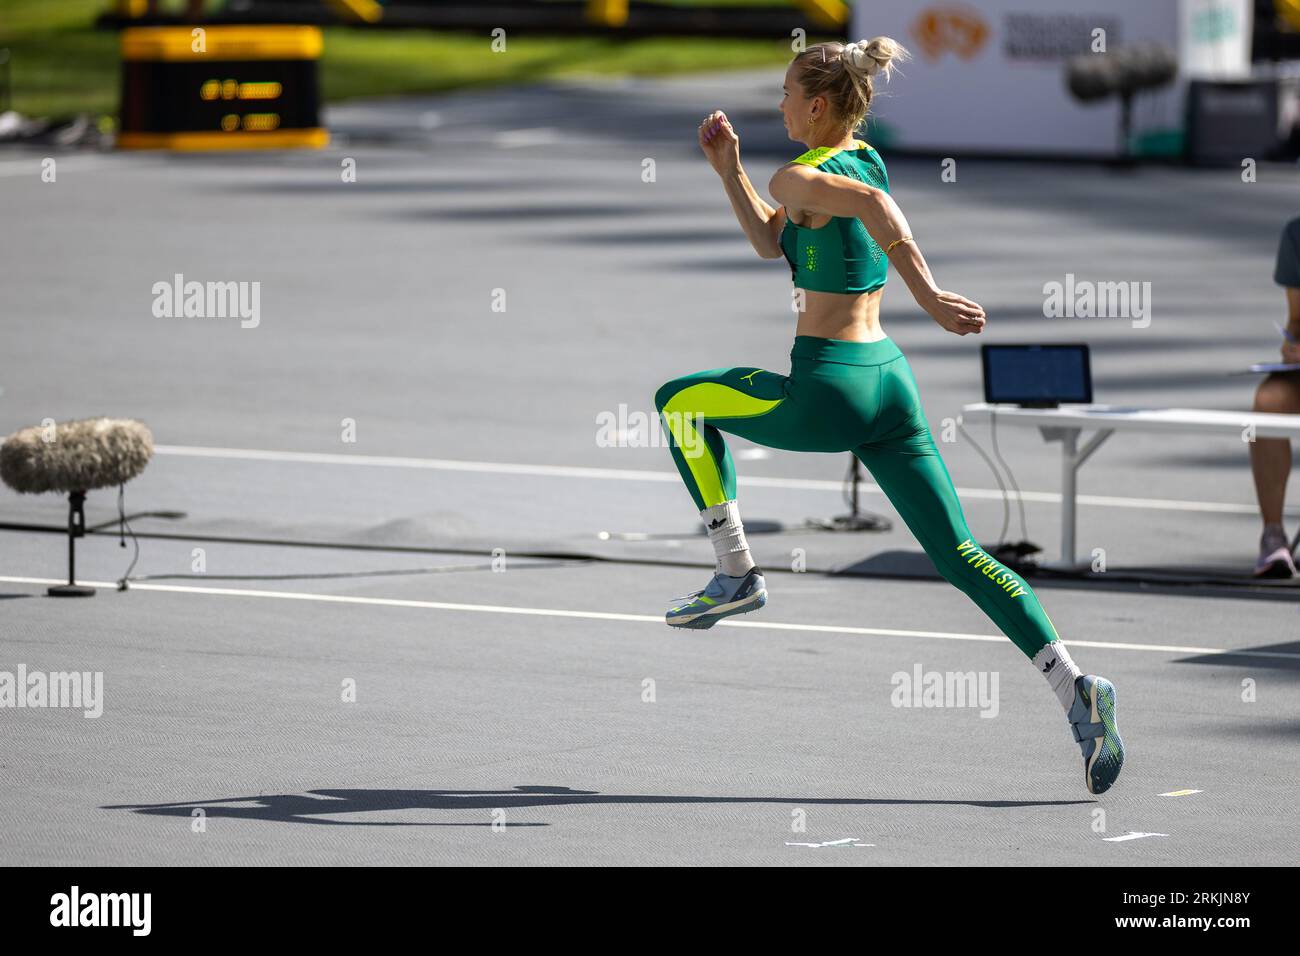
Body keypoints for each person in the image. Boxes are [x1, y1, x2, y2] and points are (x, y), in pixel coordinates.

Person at [652, 38, 1124, 794]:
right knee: (963, 555)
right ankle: (1078, 690)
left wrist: (933, 296)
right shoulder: (854, 160)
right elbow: (774, 240)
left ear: (816, 105)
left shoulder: (802, 175)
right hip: (890, 387)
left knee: (677, 404)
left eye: (784, 93)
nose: (775, 105)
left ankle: (735, 570)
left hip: (831, 390)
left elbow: (870, 211)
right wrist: (728, 170)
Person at [1250, 216, 1300, 578]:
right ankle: (1273, 538)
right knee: (1269, 401)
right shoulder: (1296, 233)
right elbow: (1297, 318)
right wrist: (1293, 343)